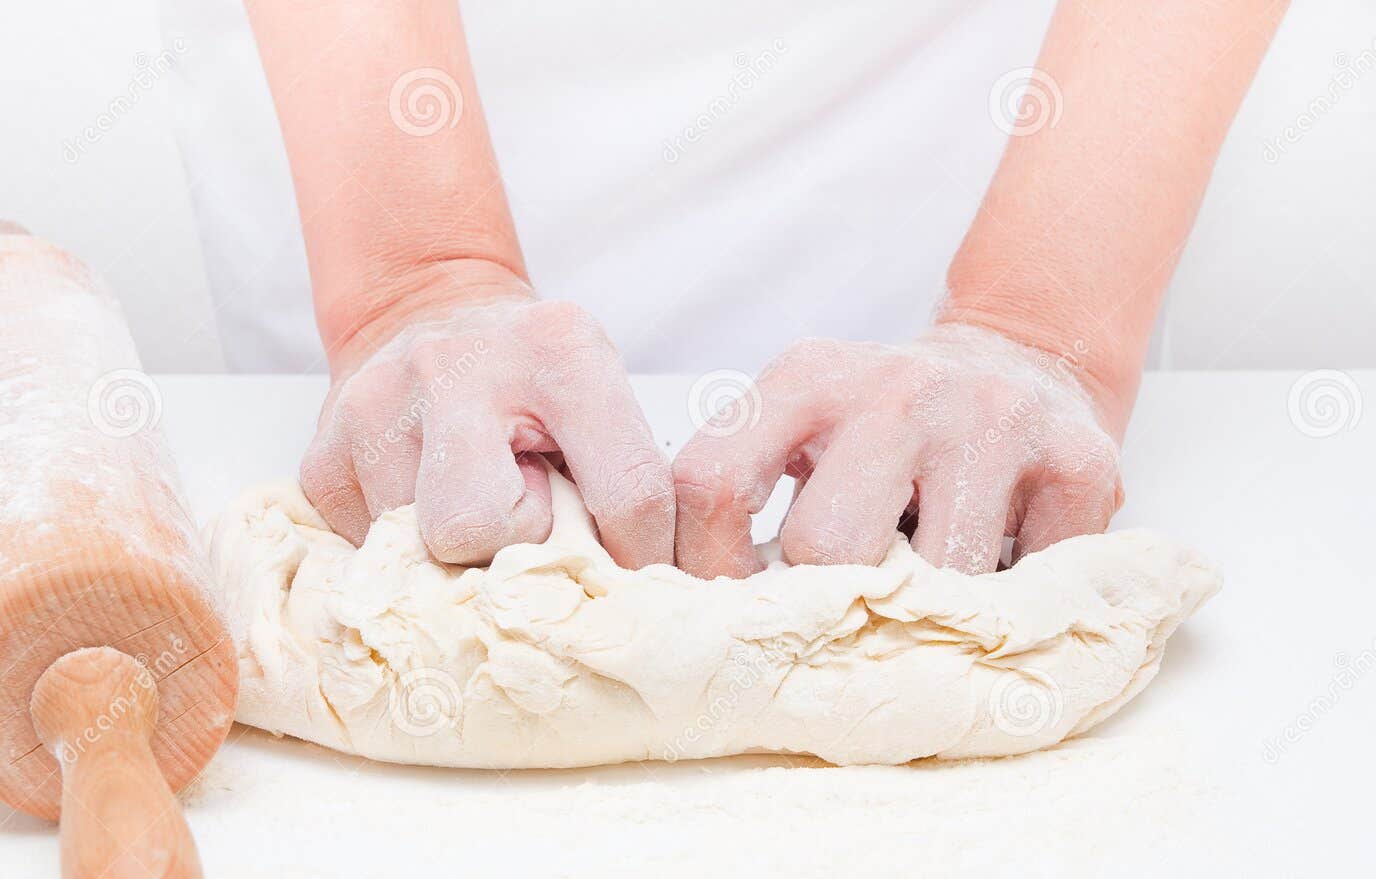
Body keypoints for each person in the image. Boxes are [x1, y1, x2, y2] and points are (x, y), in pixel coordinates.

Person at [171, 1, 1284, 574]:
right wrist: (413, 283)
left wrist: (1038, 328)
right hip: (366, 156)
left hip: (1020, 166)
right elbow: (405, 285)